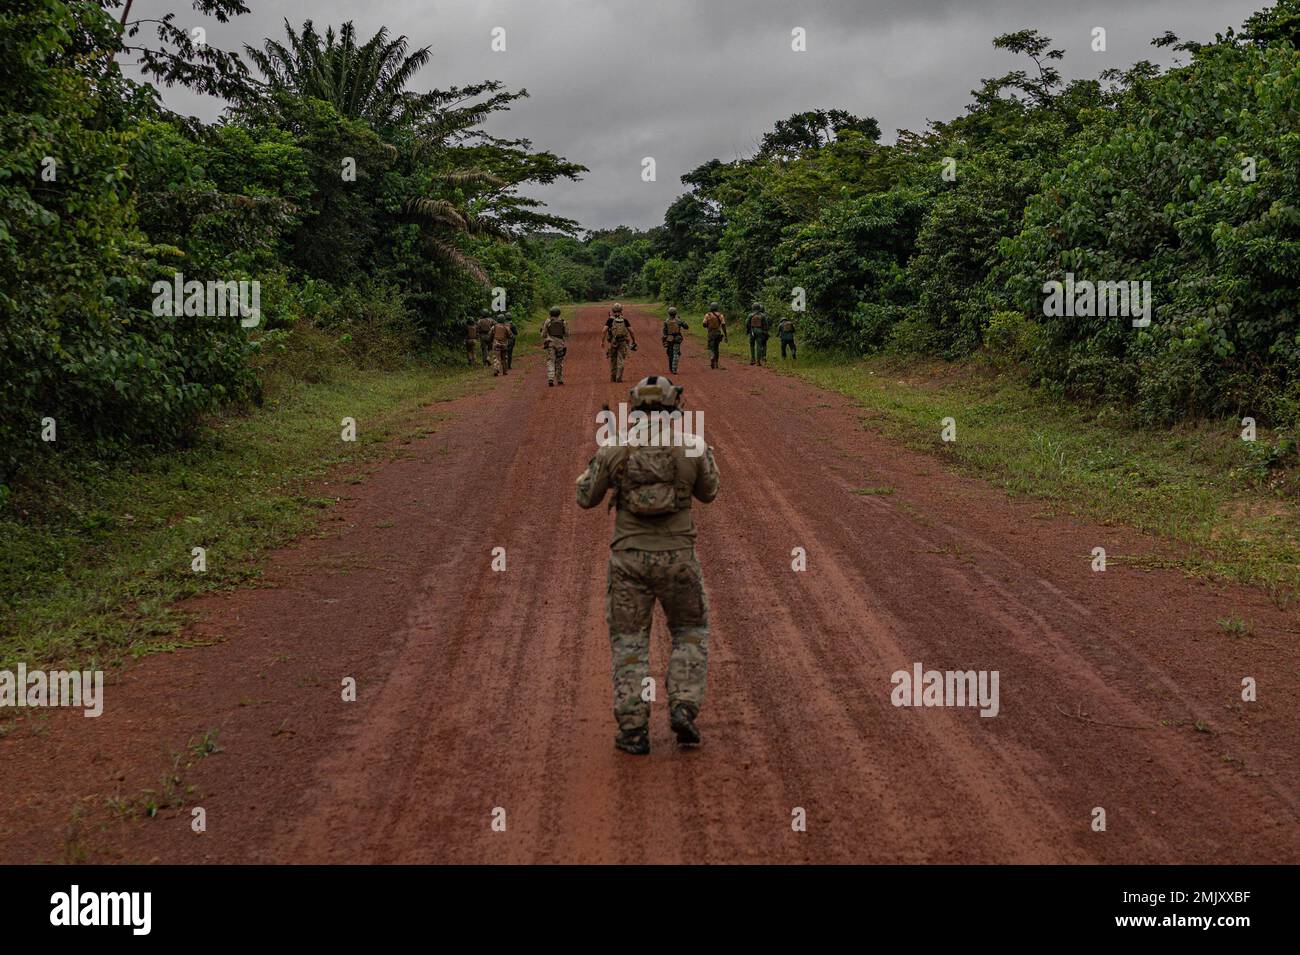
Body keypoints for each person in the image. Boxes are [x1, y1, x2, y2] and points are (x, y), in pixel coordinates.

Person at [575, 375, 721, 755]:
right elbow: (710, 492)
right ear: (676, 406)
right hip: (679, 559)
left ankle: (634, 730)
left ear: (635, 405)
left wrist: (601, 456)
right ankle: (684, 706)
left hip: (629, 561)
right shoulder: (692, 445)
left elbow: (585, 497)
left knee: (630, 643)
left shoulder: (617, 446)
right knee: (689, 630)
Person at [603, 302, 637, 382]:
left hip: (613, 342)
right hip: (622, 342)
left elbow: (604, 330)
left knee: (613, 359)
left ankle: (613, 377)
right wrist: (634, 341)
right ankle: (619, 377)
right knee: (621, 359)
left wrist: (602, 341)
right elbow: (631, 331)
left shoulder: (610, 320)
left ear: (613, 310)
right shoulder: (624, 320)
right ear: (621, 310)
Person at [541, 306, 568, 386]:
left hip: (550, 344)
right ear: (559, 313)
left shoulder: (548, 322)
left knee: (551, 361)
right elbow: (567, 334)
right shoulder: (563, 322)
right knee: (559, 362)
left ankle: (550, 378)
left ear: (550, 313)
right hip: (560, 344)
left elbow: (543, 334)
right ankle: (559, 379)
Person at [661, 306, 688, 374]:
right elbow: (686, 327)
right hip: (677, 338)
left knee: (670, 353)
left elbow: (664, 331)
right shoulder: (679, 320)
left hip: (669, 339)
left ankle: (671, 368)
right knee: (676, 353)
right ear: (675, 313)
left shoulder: (666, 321)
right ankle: (674, 369)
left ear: (669, 313)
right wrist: (682, 320)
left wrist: (665, 339)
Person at [702, 301, 727, 369]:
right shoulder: (720, 315)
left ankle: (712, 356)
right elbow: (723, 324)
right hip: (718, 333)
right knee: (717, 348)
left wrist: (708, 325)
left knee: (711, 347)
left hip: (710, 333)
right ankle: (716, 363)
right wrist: (725, 335)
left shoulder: (708, 315)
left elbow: (704, 324)